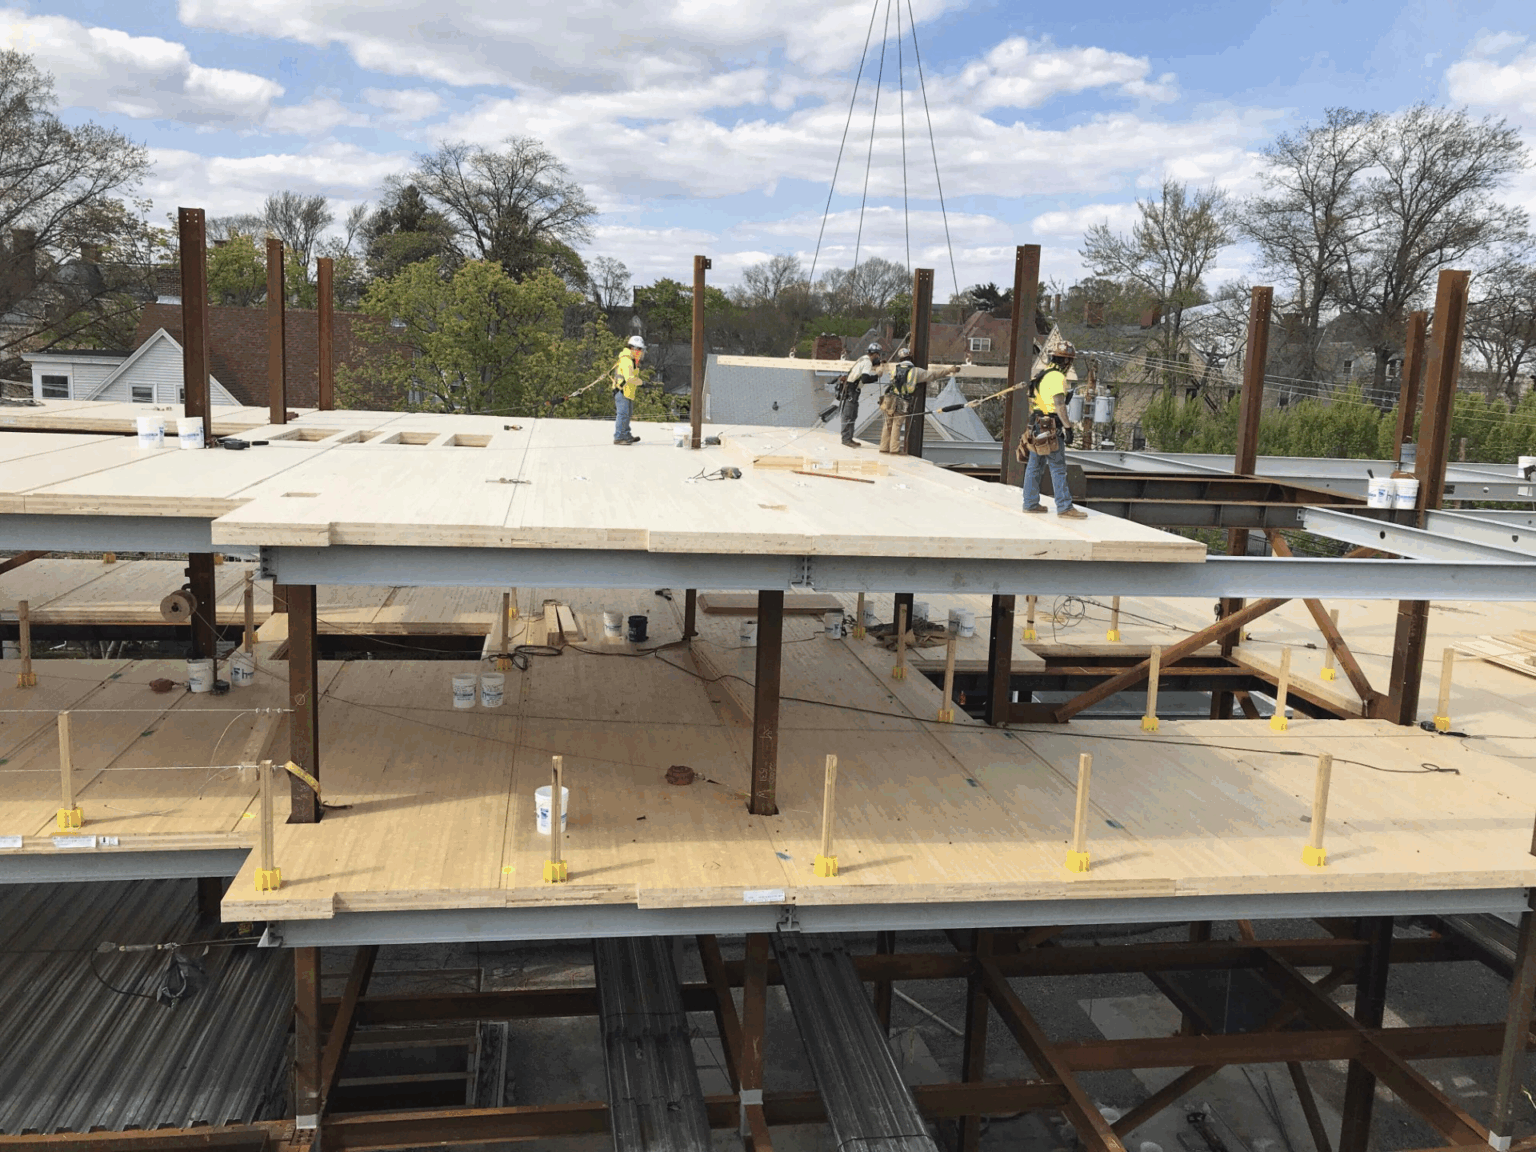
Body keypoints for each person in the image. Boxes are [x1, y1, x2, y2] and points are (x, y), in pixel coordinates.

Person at [1019, 342, 1088, 519]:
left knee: (1034, 466)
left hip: (1036, 424)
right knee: (1058, 467)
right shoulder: (1057, 377)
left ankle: (1030, 503)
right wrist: (1068, 427)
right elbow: (1059, 405)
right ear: (1066, 361)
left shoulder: (1043, 374)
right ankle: (1064, 507)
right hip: (1050, 426)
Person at [879, 348, 960, 454]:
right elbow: (933, 375)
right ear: (910, 358)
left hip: (890, 398)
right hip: (902, 400)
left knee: (888, 423)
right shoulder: (916, 371)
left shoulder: (894, 370)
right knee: (897, 424)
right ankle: (894, 449)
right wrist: (949, 370)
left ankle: (883, 447)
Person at [835, 342, 885, 447]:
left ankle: (849, 438)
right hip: (852, 390)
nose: (878, 357)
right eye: (878, 355)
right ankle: (846, 440)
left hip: (851, 388)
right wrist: (877, 376)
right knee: (848, 416)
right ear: (875, 354)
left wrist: (879, 363)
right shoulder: (867, 363)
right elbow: (865, 378)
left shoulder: (862, 359)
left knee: (852, 415)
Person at [612, 336, 645, 445]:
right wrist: (641, 382)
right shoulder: (627, 360)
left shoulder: (632, 360)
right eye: (639, 349)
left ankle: (626, 435)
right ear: (633, 348)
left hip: (628, 391)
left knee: (627, 413)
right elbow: (629, 378)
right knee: (622, 414)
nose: (640, 352)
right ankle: (619, 437)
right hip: (622, 391)